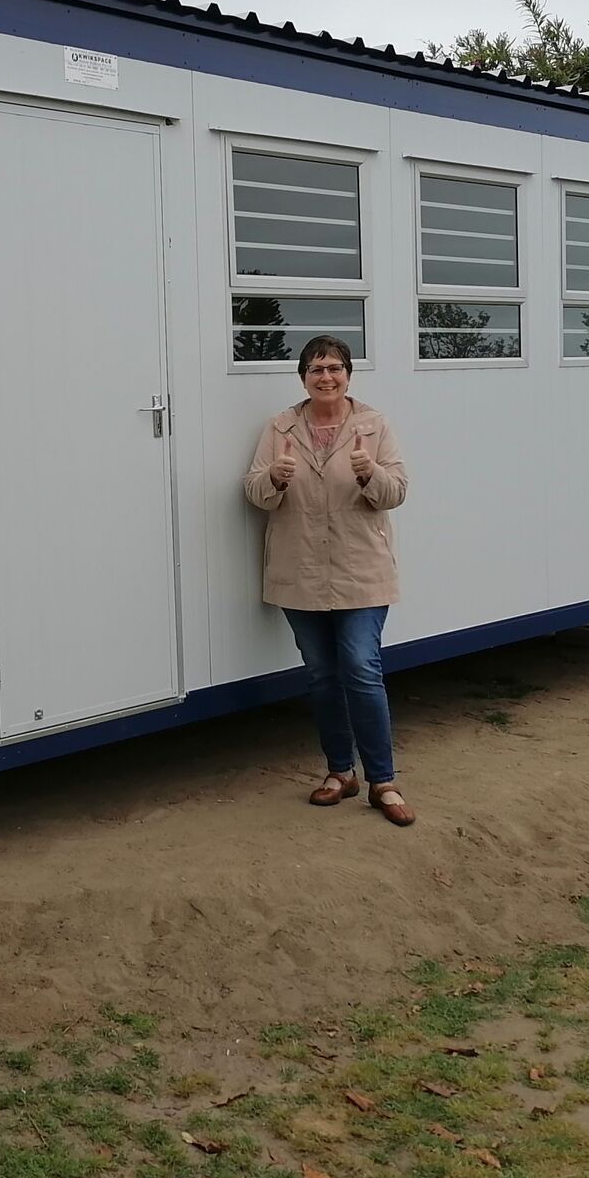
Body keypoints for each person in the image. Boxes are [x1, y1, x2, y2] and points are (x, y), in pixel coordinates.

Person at [243, 335, 414, 826]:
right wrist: (275, 476)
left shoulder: (374, 425)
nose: (326, 377)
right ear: (303, 377)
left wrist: (369, 473)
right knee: (321, 676)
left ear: (348, 375)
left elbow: (396, 491)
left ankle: (383, 780)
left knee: (361, 667)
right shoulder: (280, 427)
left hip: (362, 570)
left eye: (335, 367)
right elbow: (254, 491)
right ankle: (341, 772)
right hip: (300, 571)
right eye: (316, 368)